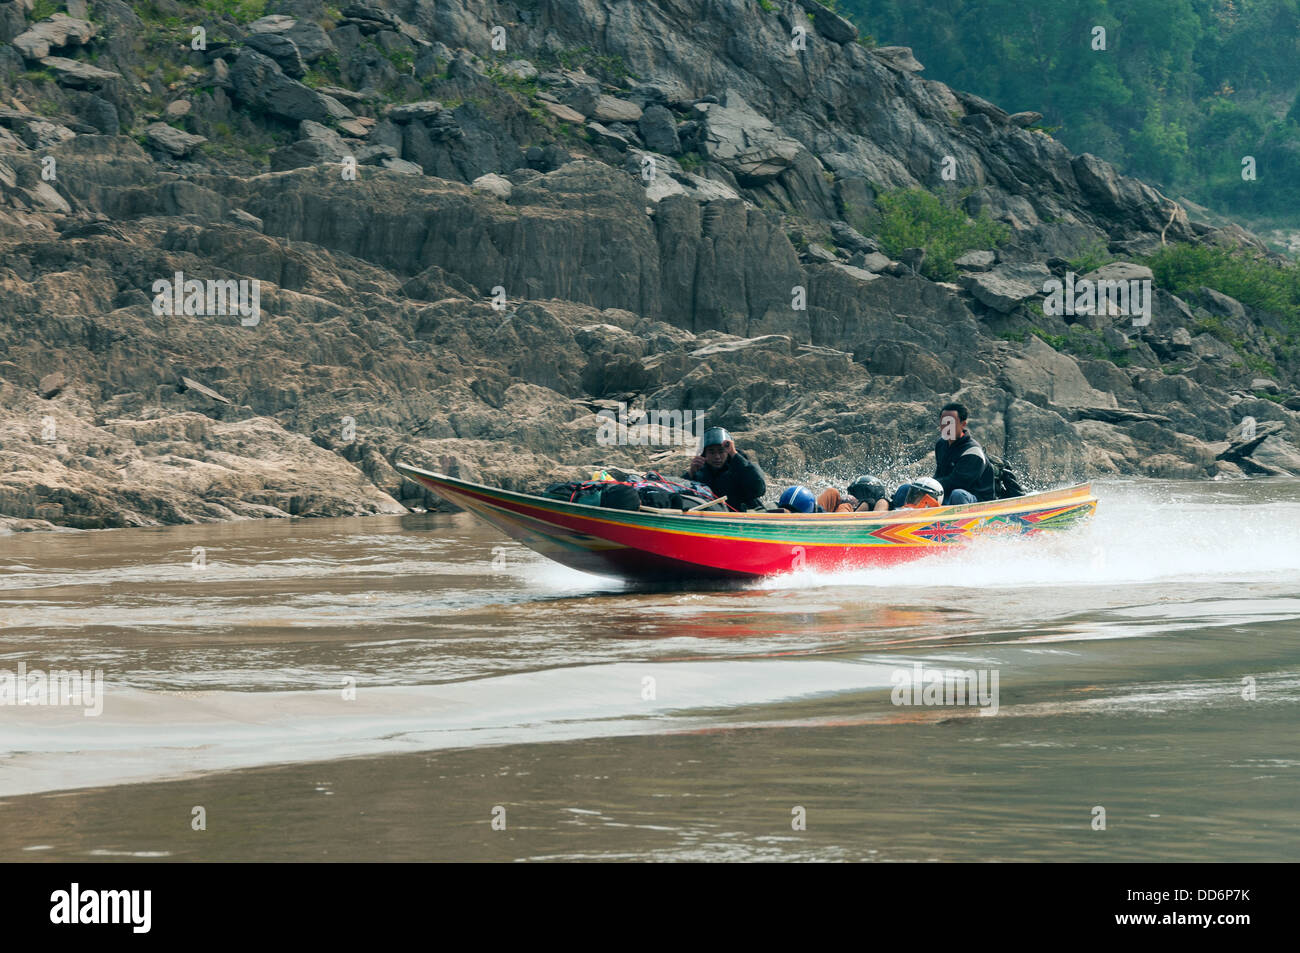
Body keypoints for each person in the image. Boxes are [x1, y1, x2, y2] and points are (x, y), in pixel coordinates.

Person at [685, 427, 767, 511]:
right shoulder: (700, 472)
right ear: (704, 454)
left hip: (744, 517)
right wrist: (691, 473)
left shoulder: (741, 467)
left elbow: (759, 489)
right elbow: (681, 495)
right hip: (714, 518)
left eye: (721, 451)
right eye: (711, 452)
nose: (717, 457)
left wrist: (734, 454)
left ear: (728, 452)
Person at [934, 402, 996, 503]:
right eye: (944, 422)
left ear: (963, 424)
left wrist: (932, 485)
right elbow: (939, 474)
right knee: (906, 488)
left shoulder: (973, 451)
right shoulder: (941, 444)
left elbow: (958, 483)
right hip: (947, 495)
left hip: (978, 500)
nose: (946, 427)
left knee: (957, 494)